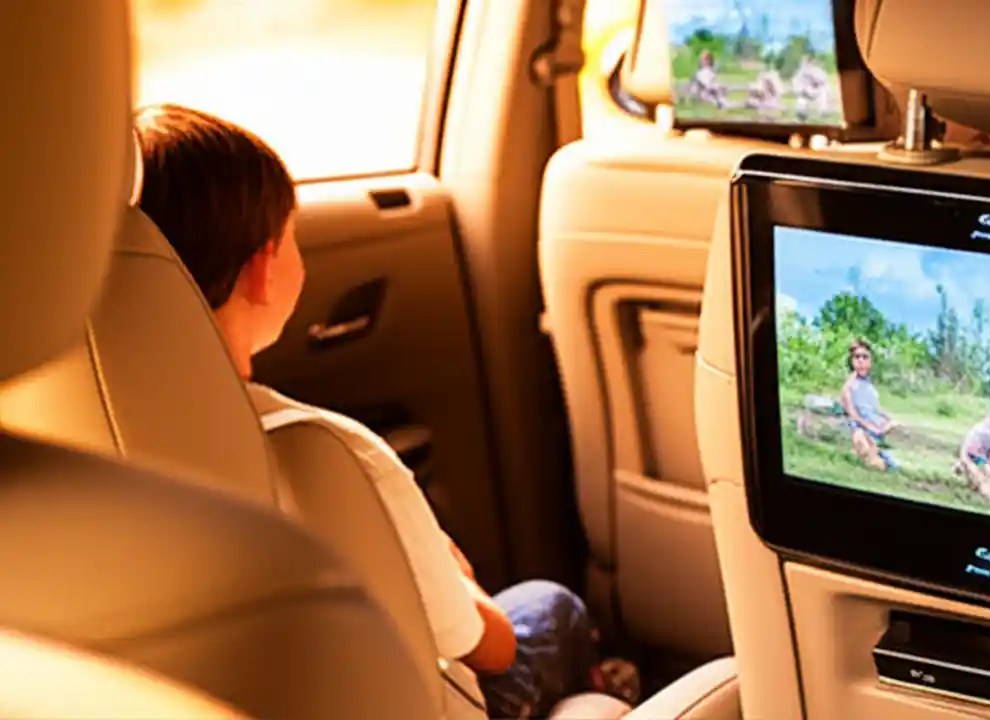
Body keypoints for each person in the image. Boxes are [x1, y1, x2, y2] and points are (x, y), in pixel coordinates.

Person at [134, 104, 635, 718]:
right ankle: (609, 687)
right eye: (292, 235)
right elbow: (490, 649)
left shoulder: (80, 441)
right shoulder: (333, 454)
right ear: (265, 269)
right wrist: (464, 583)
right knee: (551, 607)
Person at [840, 339, 900, 471]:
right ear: (851, 361)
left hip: (875, 428)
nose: (861, 360)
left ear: (870, 362)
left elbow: (875, 409)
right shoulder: (849, 386)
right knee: (876, 461)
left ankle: (880, 452)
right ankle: (873, 454)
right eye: (857, 357)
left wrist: (888, 418)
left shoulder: (869, 386)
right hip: (862, 429)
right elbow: (853, 414)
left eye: (865, 357)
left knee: (894, 466)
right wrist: (873, 428)